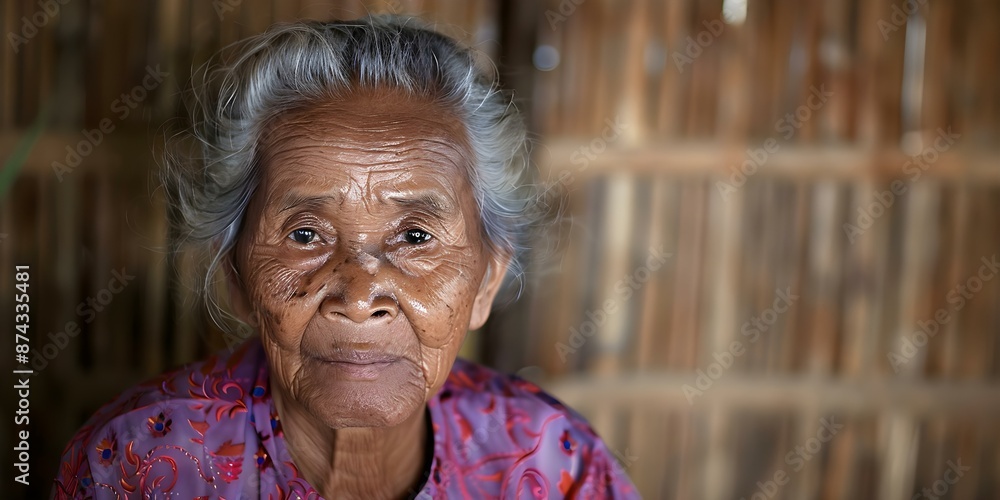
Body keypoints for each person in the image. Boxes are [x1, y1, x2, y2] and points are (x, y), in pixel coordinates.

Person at [53, 16, 639, 499]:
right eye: (306, 235)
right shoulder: (136, 463)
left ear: (487, 278)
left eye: (415, 237)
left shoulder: (552, 462)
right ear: (234, 272)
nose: (359, 299)